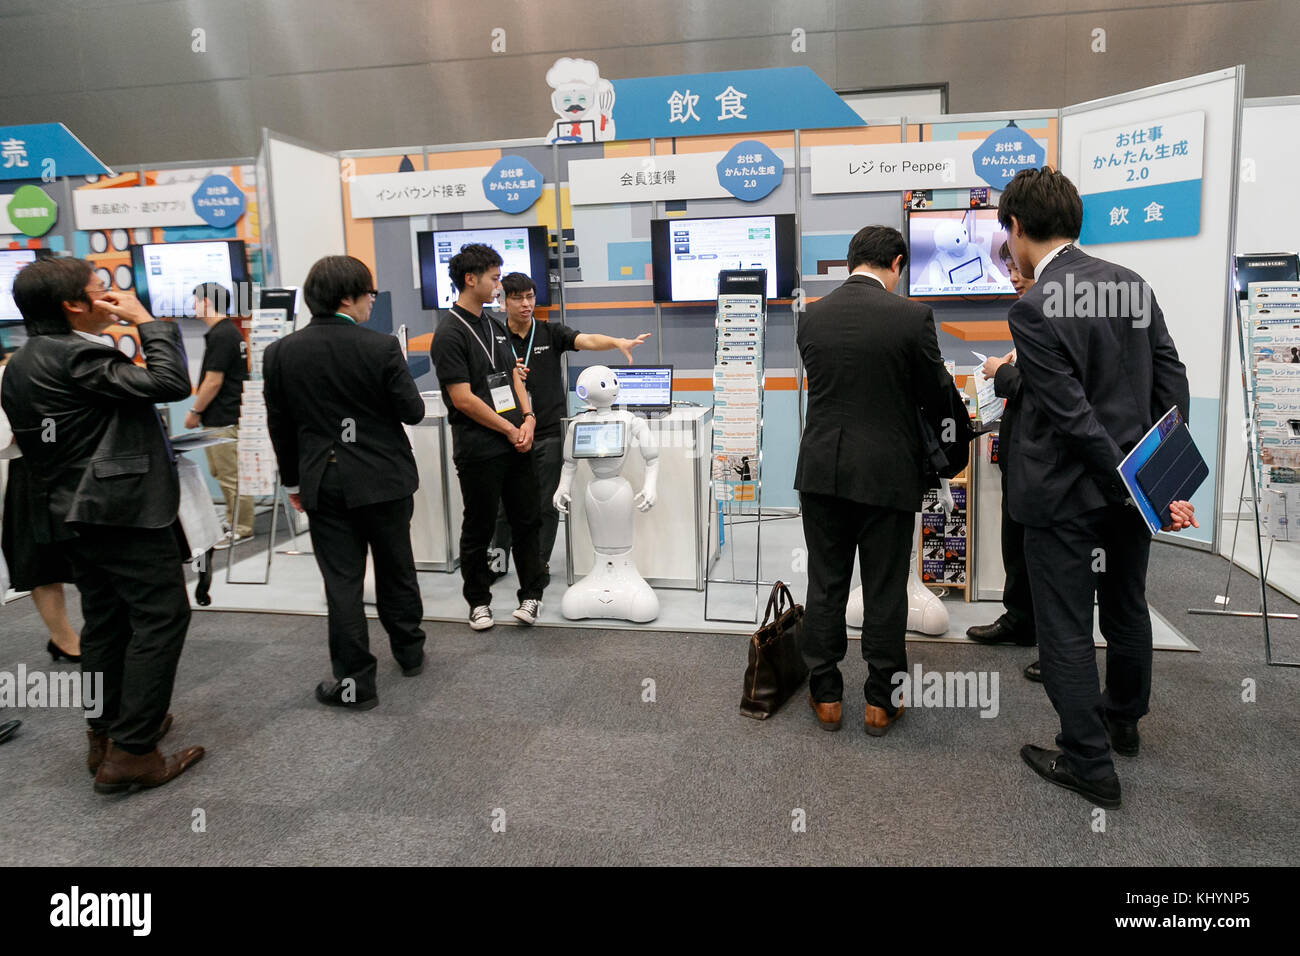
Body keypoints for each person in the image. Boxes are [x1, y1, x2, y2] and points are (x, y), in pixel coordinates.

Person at [998, 167, 1197, 809]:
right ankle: (1123, 724)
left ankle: (1089, 762)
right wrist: (1153, 480)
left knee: (1064, 627)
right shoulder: (1131, 285)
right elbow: (1172, 381)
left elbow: (1073, 417)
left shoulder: (1033, 307)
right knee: (1127, 607)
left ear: (1016, 228)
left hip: (1064, 495)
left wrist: (1129, 481)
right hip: (1129, 490)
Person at [0, 257, 204, 793]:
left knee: (106, 625)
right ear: (73, 304)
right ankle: (133, 752)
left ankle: (106, 733)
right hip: (120, 512)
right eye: (100, 288)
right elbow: (169, 382)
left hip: (71, 513)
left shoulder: (22, 360)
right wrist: (146, 321)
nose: (112, 295)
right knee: (161, 618)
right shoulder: (77, 354)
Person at [795, 225, 952, 736]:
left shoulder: (811, 316)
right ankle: (881, 703)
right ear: (897, 263)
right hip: (888, 473)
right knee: (885, 588)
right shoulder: (911, 317)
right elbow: (936, 394)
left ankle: (826, 695)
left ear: (850, 261)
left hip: (822, 469)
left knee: (825, 583)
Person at [263, 255, 427, 710]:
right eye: (369, 293)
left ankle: (355, 683)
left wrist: (293, 483)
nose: (372, 301)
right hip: (384, 479)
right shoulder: (381, 348)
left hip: (323, 480)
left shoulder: (280, 353)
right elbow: (413, 411)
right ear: (347, 298)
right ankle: (410, 653)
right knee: (396, 567)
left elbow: (280, 427)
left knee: (342, 582)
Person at [490, 271, 650, 584]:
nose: (526, 304)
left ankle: (538, 564)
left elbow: (586, 340)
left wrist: (616, 342)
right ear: (504, 301)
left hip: (548, 431)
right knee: (503, 505)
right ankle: (497, 562)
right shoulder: (494, 337)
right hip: (507, 431)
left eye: (530, 297)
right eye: (518, 298)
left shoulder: (549, 332)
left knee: (546, 503)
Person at [429, 246, 545, 631]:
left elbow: (514, 375)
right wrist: (510, 428)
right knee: (479, 527)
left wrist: (528, 418)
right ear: (470, 279)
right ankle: (478, 601)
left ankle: (531, 596)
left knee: (527, 521)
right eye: (494, 278)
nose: (499, 285)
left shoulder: (494, 325)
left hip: (517, 441)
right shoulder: (448, 333)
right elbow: (463, 398)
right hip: (480, 448)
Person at [966, 241, 1041, 681]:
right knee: (1015, 541)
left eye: (1017, 266)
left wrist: (1003, 372)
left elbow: (1049, 390)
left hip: (1046, 461)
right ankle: (1019, 620)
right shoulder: (1030, 309)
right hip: (1019, 453)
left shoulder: (1050, 308)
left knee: (1045, 555)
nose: (1013, 276)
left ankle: (1058, 647)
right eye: (1008, 268)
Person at [1, 342, 82, 663]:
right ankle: (63, 638)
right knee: (39, 561)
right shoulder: (9, 375)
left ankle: (98, 633)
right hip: (31, 472)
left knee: (88, 554)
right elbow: (11, 435)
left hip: (72, 466)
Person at [184, 282, 253, 547]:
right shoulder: (226, 332)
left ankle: (242, 527)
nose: (193, 306)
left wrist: (195, 411)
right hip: (222, 416)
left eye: (195, 300)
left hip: (224, 417)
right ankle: (234, 520)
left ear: (206, 302)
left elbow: (213, 381)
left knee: (231, 475)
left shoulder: (222, 335)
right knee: (222, 472)